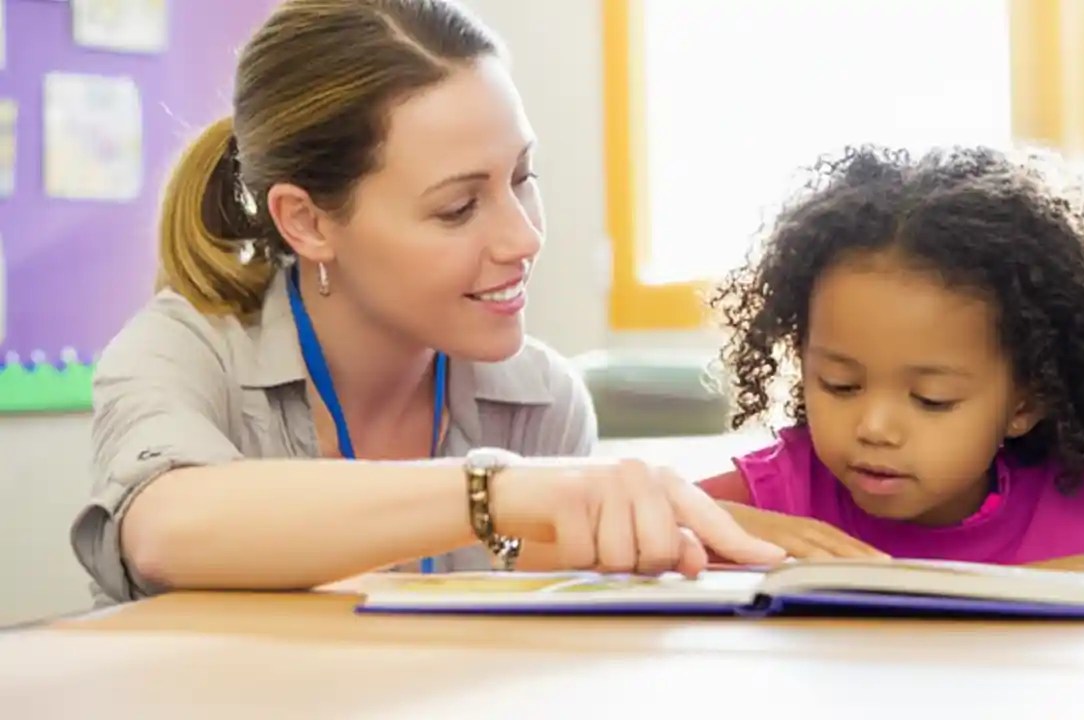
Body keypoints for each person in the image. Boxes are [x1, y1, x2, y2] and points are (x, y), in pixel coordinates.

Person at [71, 0, 783, 606]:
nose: (525, 236)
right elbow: (164, 532)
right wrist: (495, 491)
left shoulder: (540, 402)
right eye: (458, 207)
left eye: (523, 177)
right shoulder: (184, 351)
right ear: (308, 222)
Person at [698, 144, 1084, 591]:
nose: (874, 425)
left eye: (932, 399)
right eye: (840, 384)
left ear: (1023, 403)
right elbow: (620, 533)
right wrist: (733, 529)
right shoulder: (783, 491)